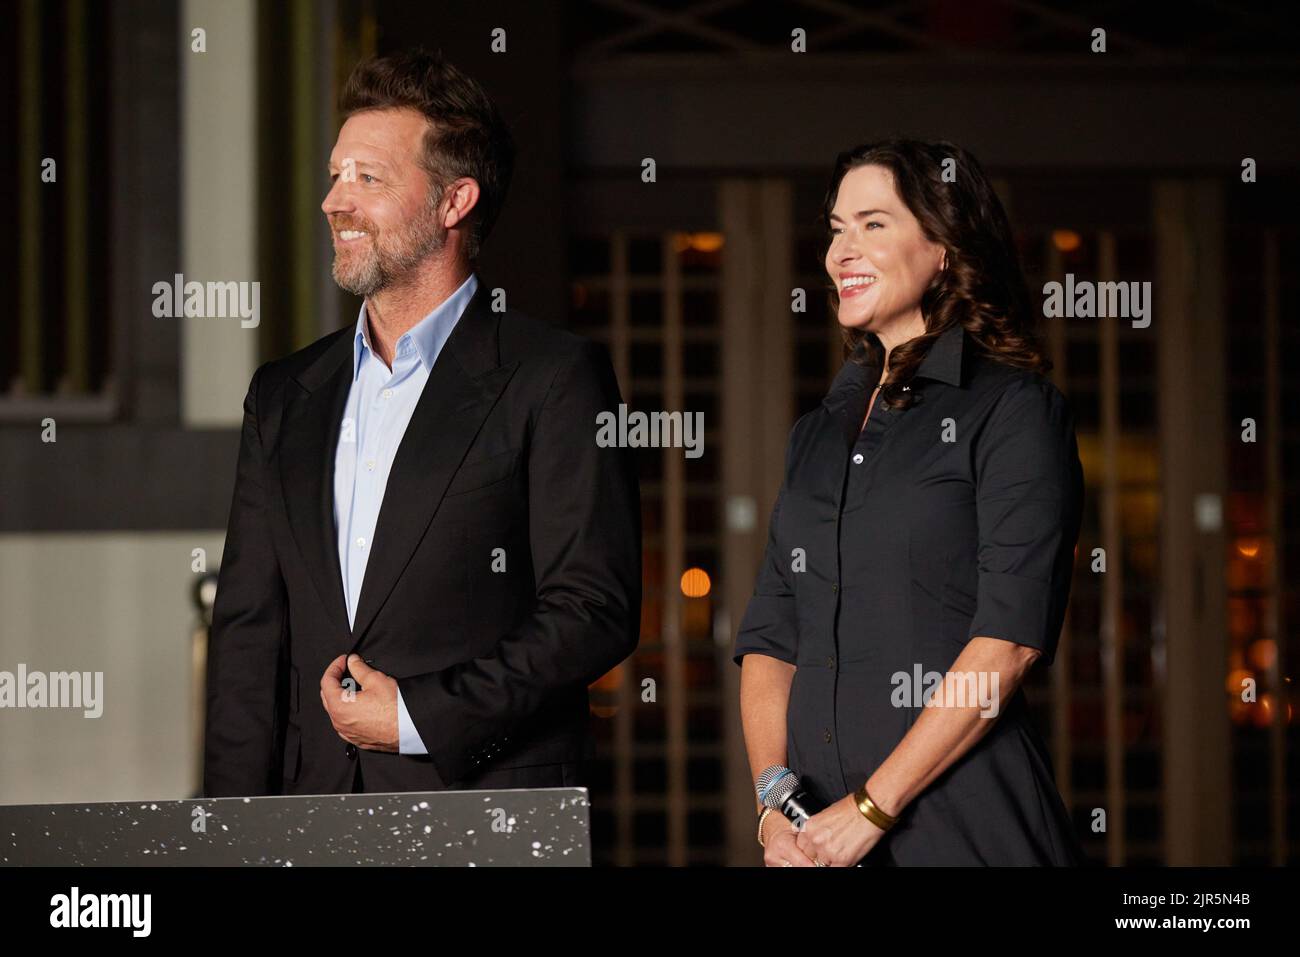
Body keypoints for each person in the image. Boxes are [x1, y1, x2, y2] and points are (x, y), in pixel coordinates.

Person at [204, 48, 640, 797]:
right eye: (336, 175)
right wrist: (228, 829)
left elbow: (593, 608)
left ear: (453, 202)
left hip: (486, 808)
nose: (334, 201)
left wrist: (417, 716)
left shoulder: (553, 377)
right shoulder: (281, 395)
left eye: (368, 179)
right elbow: (249, 638)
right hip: (314, 814)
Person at [735, 139, 1084, 866]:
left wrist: (871, 808)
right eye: (837, 229)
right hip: (817, 842)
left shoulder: (1013, 410)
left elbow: (1009, 643)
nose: (842, 252)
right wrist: (773, 805)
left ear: (945, 248)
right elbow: (772, 636)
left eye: (873, 224)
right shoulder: (816, 434)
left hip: (966, 833)